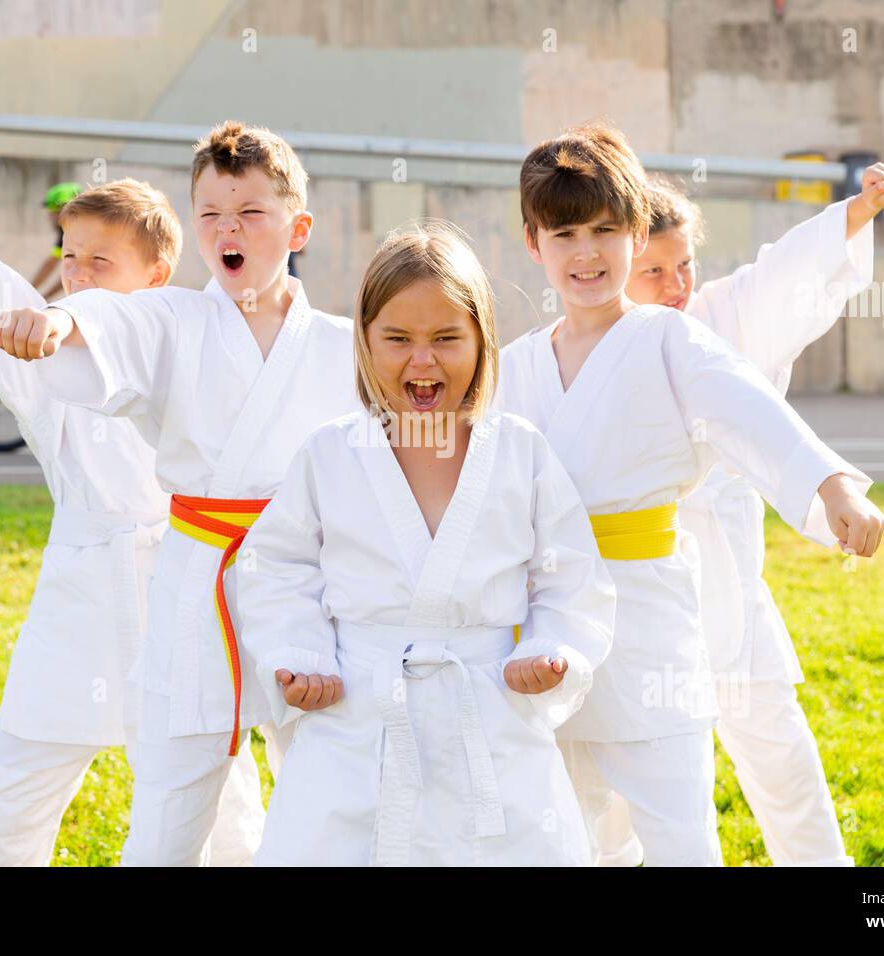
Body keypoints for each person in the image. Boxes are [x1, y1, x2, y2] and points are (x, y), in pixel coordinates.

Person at [497, 122, 884, 866]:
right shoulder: (516, 366)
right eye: (567, 233)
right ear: (533, 242)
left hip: (654, 630)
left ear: (634, 234)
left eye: (606, 231)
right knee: (567, 837)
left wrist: (831, 485)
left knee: (682, 834)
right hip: (553, 631)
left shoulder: (674, 341)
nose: (586, 253)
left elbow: (750, 410)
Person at [0, 179, 267, 866]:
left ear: (157, 275)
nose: (75, 274)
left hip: (182, 592)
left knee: (217, 796)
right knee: (14, 783)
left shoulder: (195, 341)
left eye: (99, 262)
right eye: (69, 256)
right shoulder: (41, 346)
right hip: (78, 597)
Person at [0, 121, 359, 865]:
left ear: (299, 226)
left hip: (305, 582)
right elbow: (108, 319)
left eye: (251, 213)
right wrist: (59, 318)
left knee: (326, 782)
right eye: (212, 215)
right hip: (195, 581)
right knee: (172, 791)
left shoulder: (340, 343)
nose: (230, 230)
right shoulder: (175, 320)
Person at [236, 222, 616, 865]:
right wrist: (301, 655)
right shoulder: (330, 453)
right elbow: (278, 566)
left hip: (489, 710)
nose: (422, 360)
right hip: (355, 709)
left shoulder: (519, 450)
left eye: (446, 338)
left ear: (482, 341)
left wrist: (552, 649)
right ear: (364, 343)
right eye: (397, 339)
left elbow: (569, 576)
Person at [31, 182, 82, 299]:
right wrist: (29, 289)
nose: (50, 217)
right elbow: (51, 262)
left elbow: (72, 272)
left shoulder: (79, 232)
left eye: (55, 212)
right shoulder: (66, 230)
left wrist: (43, 297)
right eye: (51, 212)